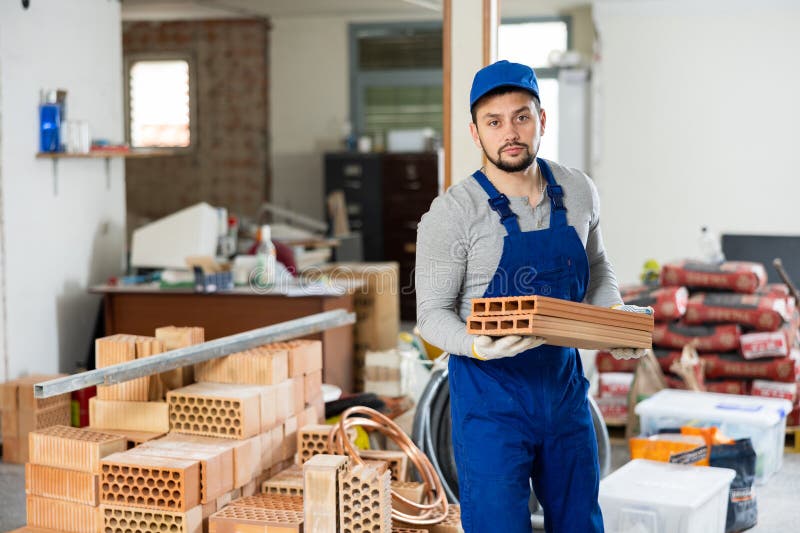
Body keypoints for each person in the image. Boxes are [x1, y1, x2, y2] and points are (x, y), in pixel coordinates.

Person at [415, 60, 650, 533]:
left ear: (542, 119)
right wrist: (477, 344)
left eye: (521, 117)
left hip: (563, 393)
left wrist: (612, 316)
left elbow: (598, 266)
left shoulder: (579, 191)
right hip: (490, 404)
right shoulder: (451, 214)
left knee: (580, 522)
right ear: (475, 132)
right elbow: (431, 315)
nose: (510, 133)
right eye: (494, 122)